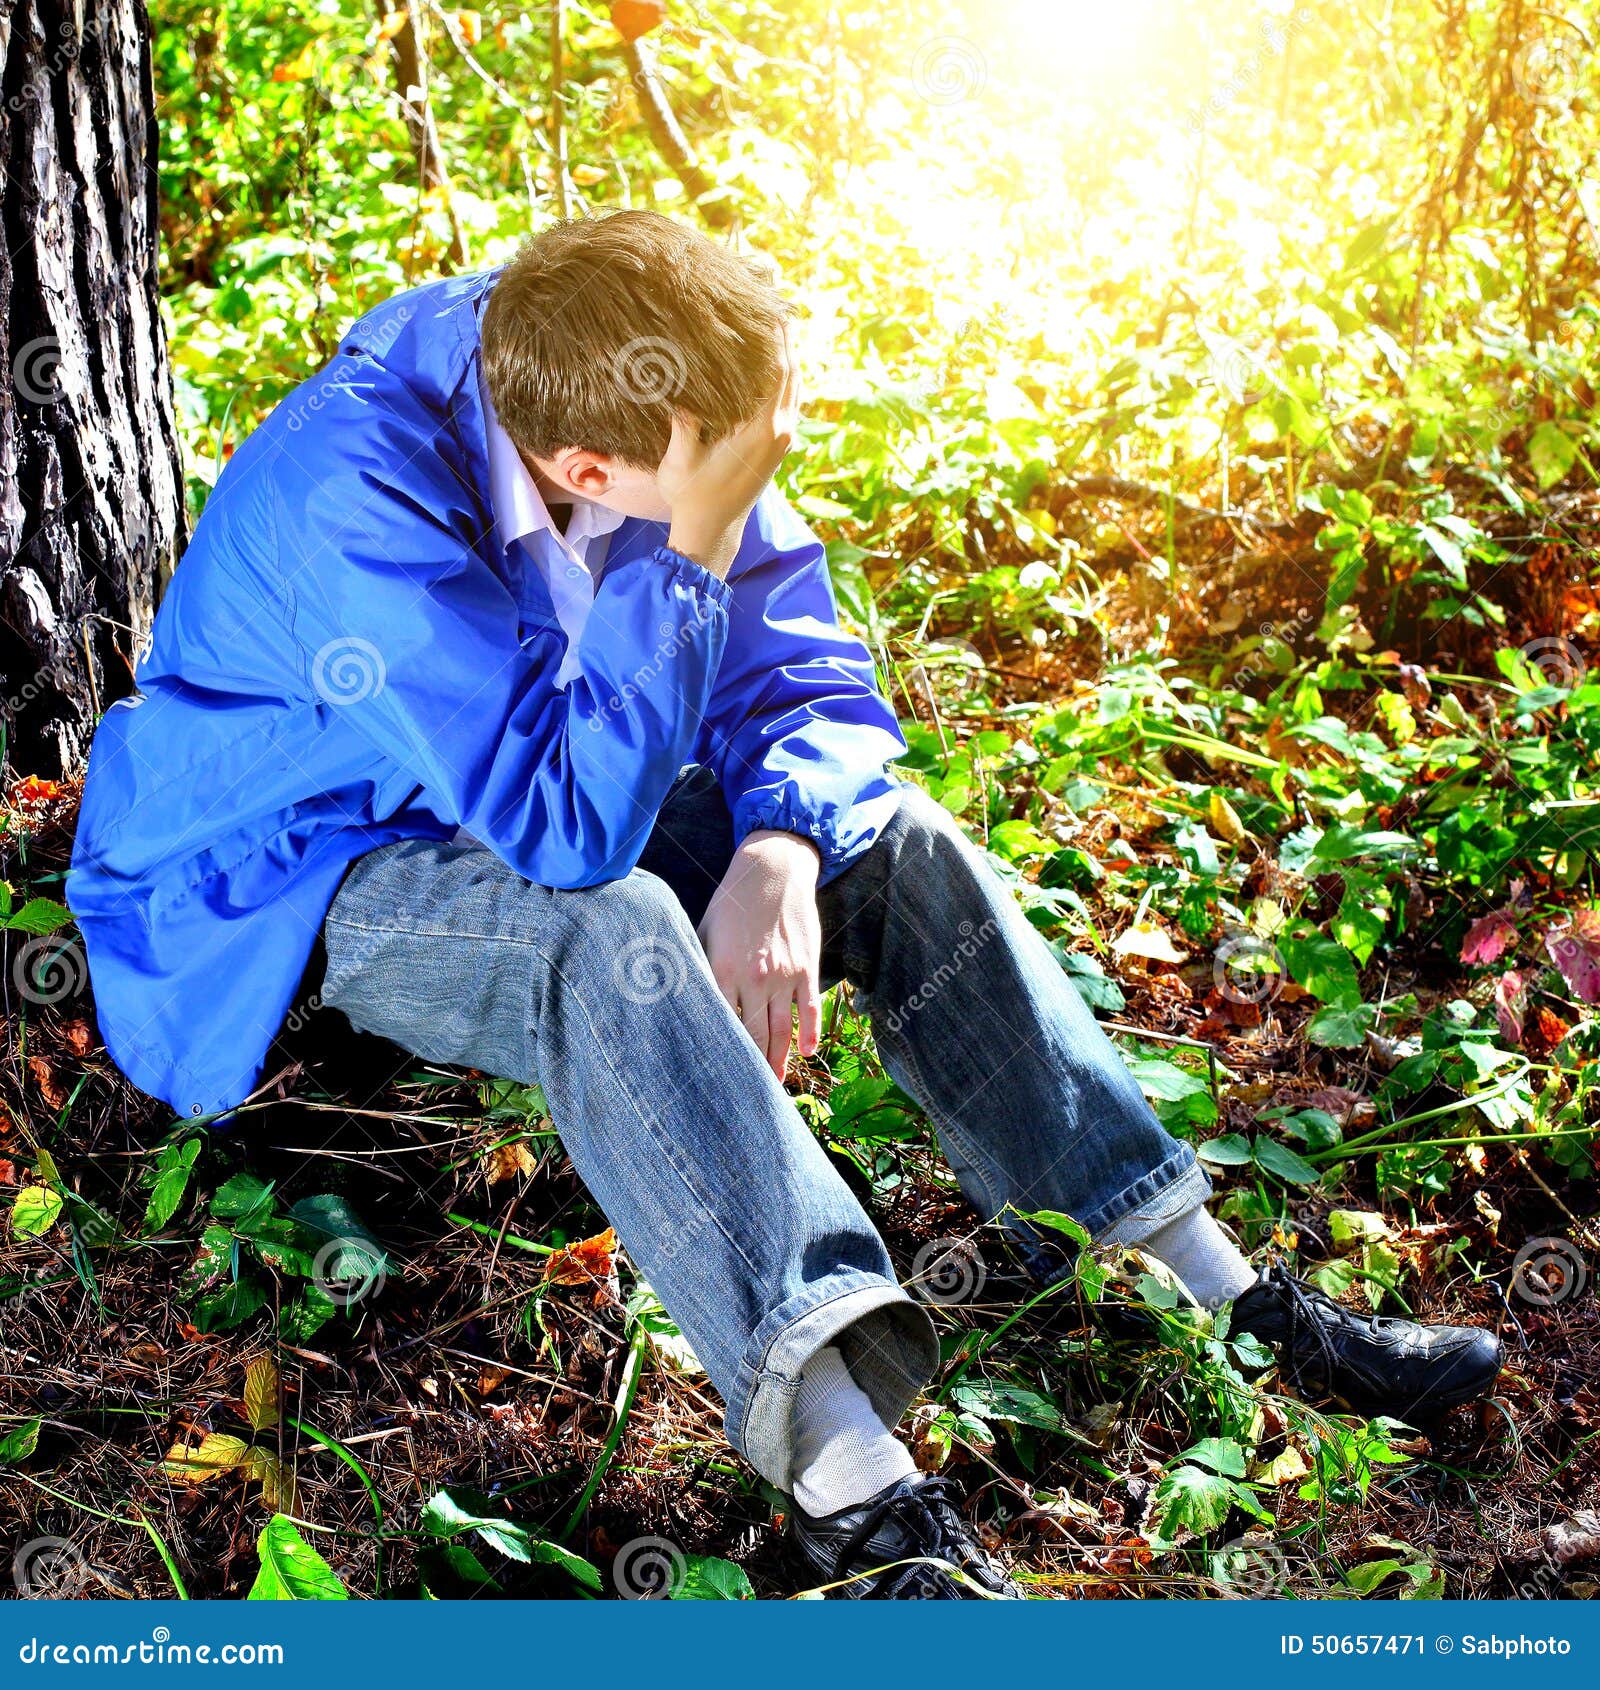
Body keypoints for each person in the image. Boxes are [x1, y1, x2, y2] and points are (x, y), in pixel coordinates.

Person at [68, 211, 1502, 1600]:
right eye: (724, 484)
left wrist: (779, 848)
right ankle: (851, 1484)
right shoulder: (356, 493)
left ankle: (1210, 1284)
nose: (750, 494)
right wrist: (684, 556)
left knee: (897, 837)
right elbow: (563, 834)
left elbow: (803, 680)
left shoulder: (642, 376)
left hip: (511, 788)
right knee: (608, 929)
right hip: (294, 870)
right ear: (583, 461)